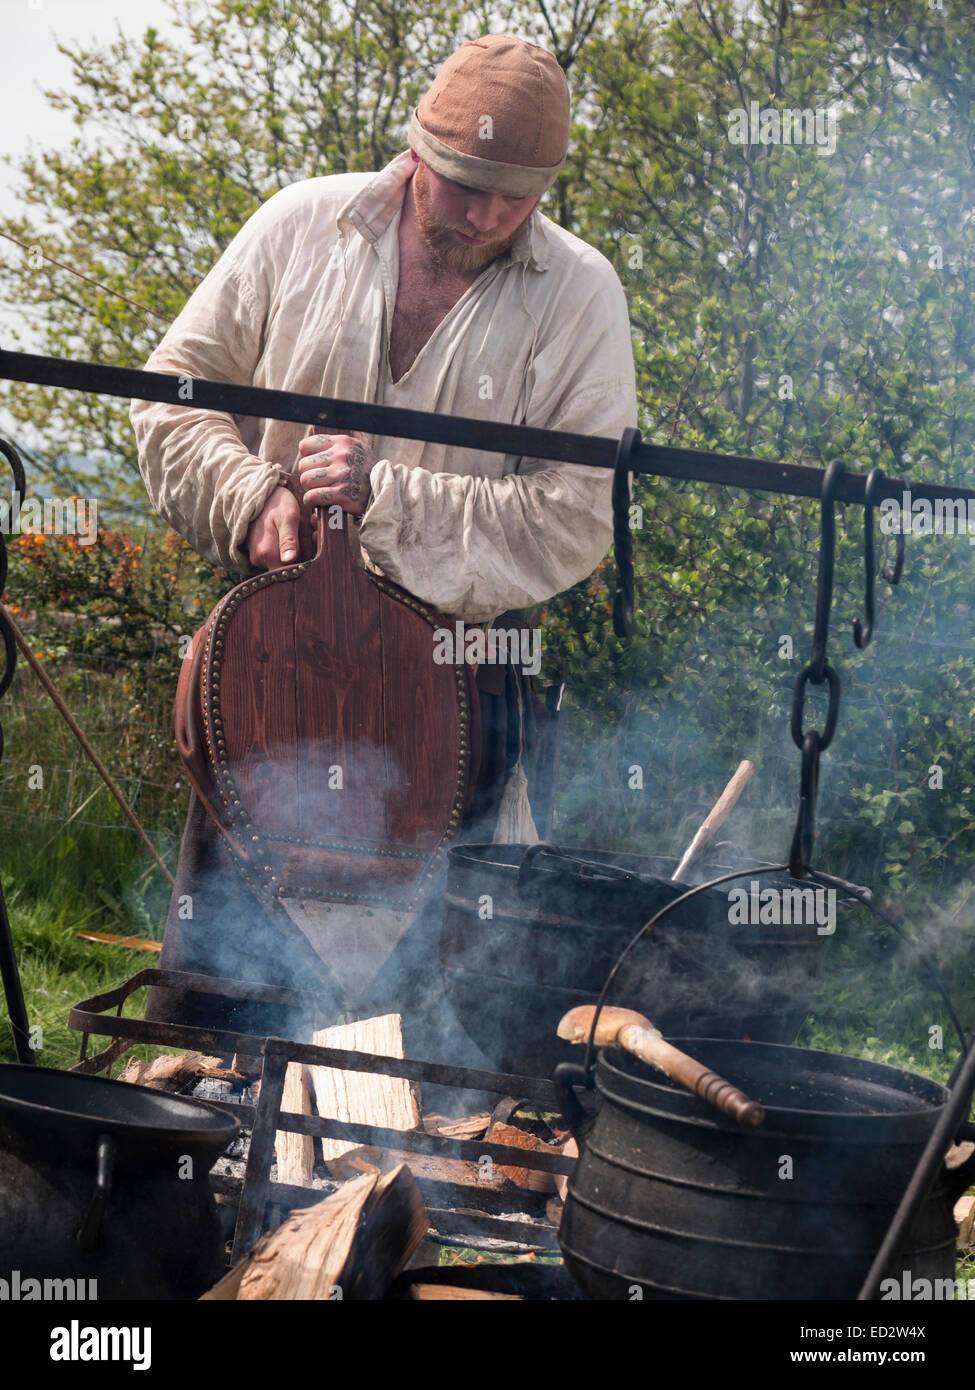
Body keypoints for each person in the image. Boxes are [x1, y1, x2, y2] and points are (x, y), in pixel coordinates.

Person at [130, 33, 638, 1048]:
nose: (488, 216)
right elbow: (168, 402)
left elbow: (581, 516)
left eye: (516, 197)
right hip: (266, 683)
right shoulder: (299, 227)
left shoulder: (581, 295)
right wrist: (249, 499)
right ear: (417, 150)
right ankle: (197, 1182)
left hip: (457, 691)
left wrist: (389, 498)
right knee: (219, 1031)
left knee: (437, 1055)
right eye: (464, 186)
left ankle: (408, 1201)